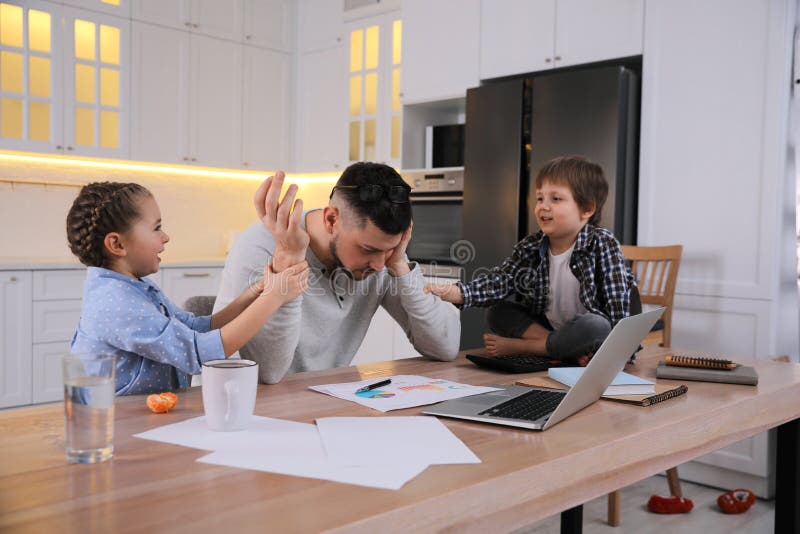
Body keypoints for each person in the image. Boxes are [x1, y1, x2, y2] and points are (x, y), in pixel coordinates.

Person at [214, 162, 461, 384]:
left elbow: (445, 348)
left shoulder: (385, 257)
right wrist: (289, 266)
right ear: (331, 220)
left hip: (324, 398)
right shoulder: (264, 246)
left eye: (390, 249)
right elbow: (269, 373)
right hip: (241, 402)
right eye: (368, 249)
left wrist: (400, 268)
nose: (377, 265)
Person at [67, 182, 309, 395]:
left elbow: (194, 329)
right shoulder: (115, 302)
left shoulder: (134, 287)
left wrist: (256, 292)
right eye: (156, 227)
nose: (165, 237)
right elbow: (197, 353)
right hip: (116, 424)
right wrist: (274, 297)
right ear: (117, 244)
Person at [426, 156, 635, 365]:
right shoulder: (532, 245)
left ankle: (530, 348)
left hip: (588, 332)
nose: (543, 206)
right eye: (540, 198)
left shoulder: (603, 243)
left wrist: (619, 355)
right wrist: (455, 292)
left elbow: (618, 308)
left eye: (556, 199)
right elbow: (501, 280)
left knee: (596, 325)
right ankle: (561, 349)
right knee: (497, 311)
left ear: (587, 209)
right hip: (551, 329)